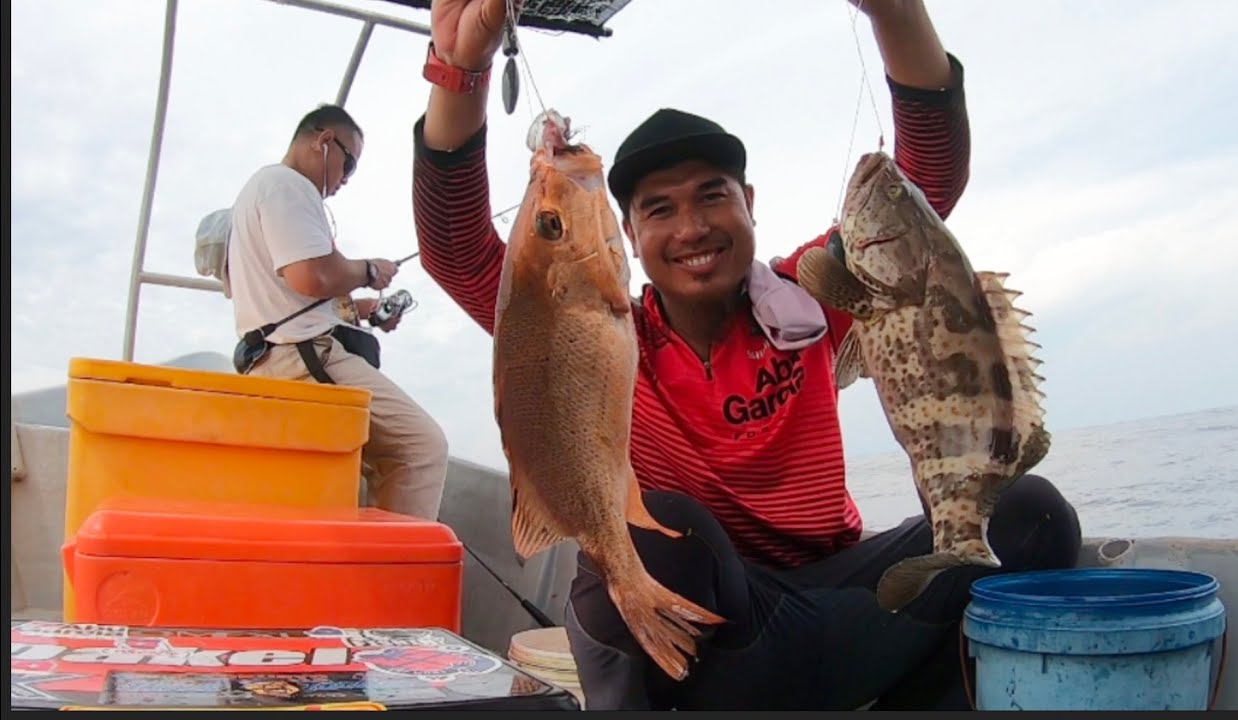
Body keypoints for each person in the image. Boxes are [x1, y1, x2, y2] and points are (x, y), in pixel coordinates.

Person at [411, 0, 1081, 710]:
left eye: (713, 197)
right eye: (659, 210)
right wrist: (461, 68)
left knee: (1028, 513)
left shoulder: (815, 292)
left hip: (852, 596)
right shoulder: (595, 333)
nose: (693, 227)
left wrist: (894, 11)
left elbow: (928, 177)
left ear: (750, 203)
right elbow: (455, 249)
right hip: (725, 631)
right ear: (628, 238)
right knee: (663, 534)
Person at [228, 103, 450, 522]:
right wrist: (368, 270)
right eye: (348, 165)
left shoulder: (270, 190)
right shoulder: (286, 185)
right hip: (301, 356)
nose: (346, 179)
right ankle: (390, 577)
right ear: (324, 141)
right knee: (422, 446)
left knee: (385, 456)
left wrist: (366, 310)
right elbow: (311, 275)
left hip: (284, 352)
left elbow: (305, 294)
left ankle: (368, 559)